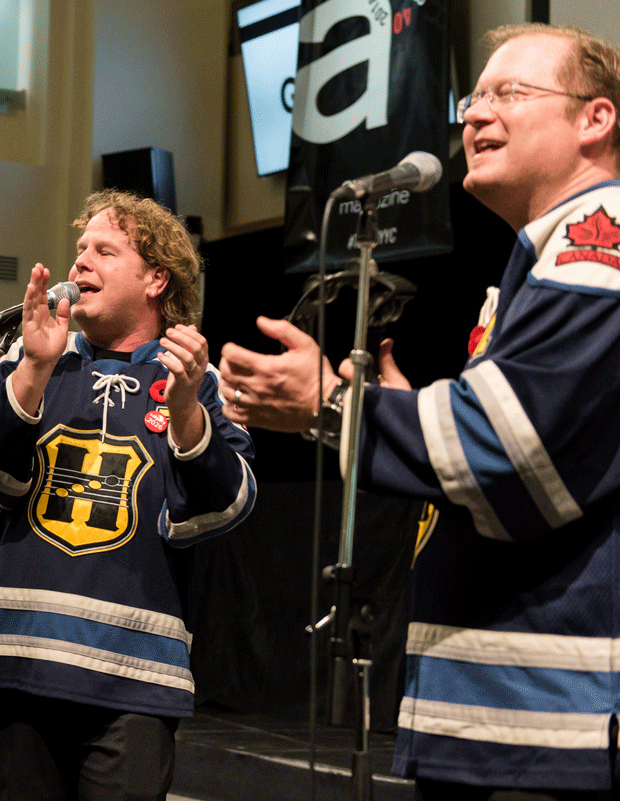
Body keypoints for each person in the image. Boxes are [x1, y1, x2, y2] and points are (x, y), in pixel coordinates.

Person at [218, 23, 620, 798]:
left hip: (544, 723)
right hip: (506, 718)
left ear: (594, 120)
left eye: (510, 93)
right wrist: (414, 416)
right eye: (473, 97)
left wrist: (331, 407)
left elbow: (509, 448)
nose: (474, 115)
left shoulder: (594, 240)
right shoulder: (539, 256)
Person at [0, 190, 257, 801]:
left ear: (155, 280)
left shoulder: (195, 380)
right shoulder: (35, 357)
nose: (79, 264)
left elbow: (226, 506)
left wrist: (186, 412)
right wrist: (33, 371)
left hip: (134, 679)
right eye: (79, 250)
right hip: (22, 660)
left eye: (104, 250)